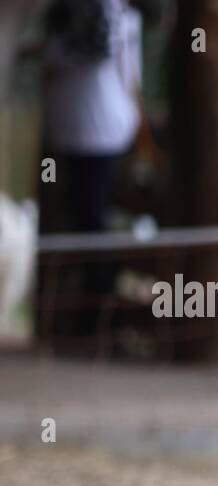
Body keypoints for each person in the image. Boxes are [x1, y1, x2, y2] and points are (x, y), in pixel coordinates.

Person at [40, 0, 142, 344]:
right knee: (86, 220)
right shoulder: (96, 14)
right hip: (86, 130)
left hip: (89, 130)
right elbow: (129, 77)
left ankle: (96, 317)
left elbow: (57, 63)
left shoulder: (100, 14)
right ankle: (89, 315)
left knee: (89, 222)